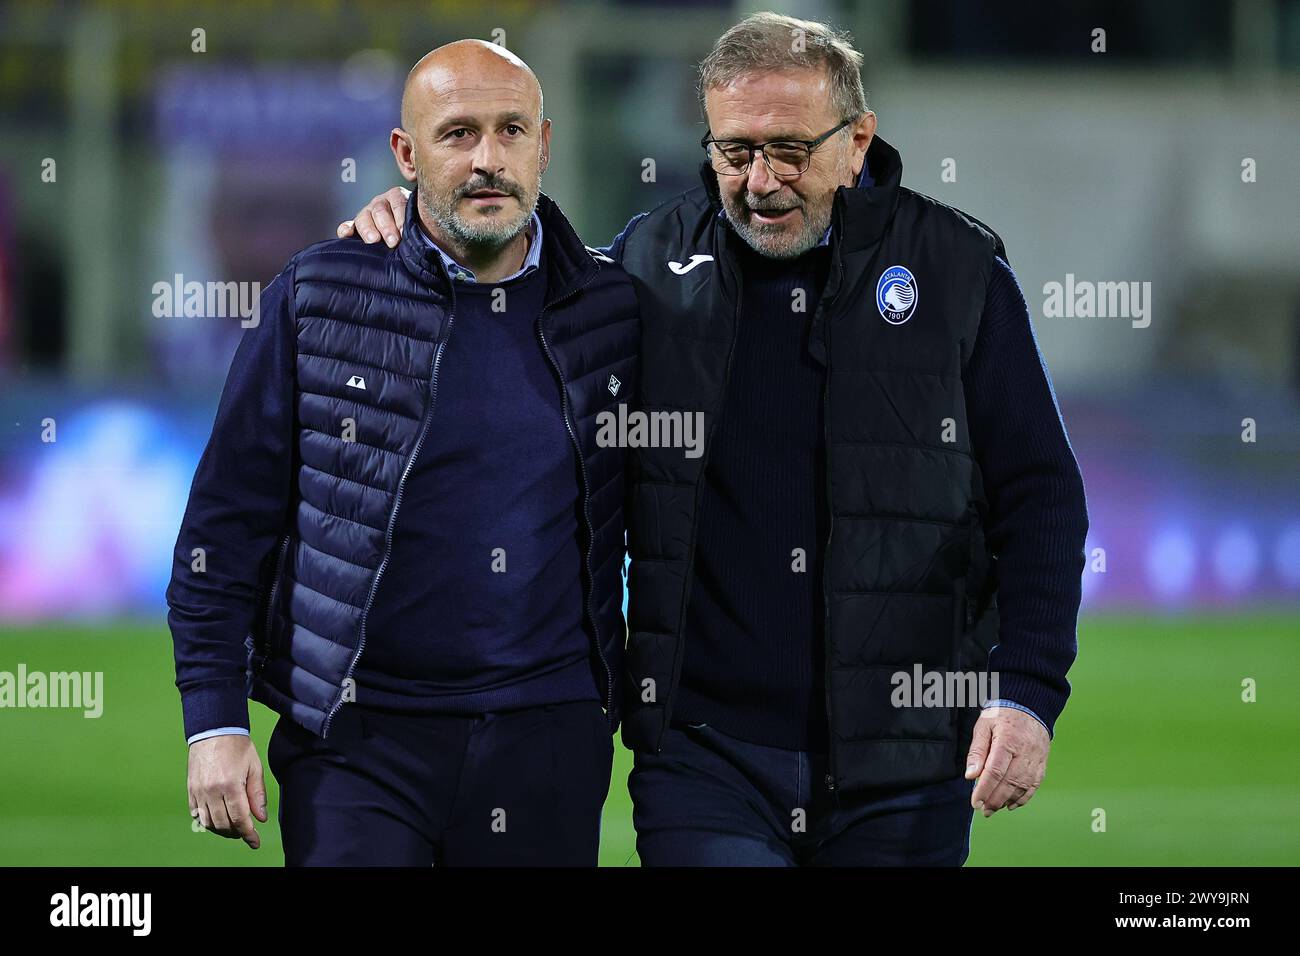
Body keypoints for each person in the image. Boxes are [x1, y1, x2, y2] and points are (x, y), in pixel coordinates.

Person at [343, 12, 1089, 866]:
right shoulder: (647, 264)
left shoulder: (958, 274)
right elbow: (501, 273)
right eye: (734, 152)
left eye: (790, 150)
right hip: (703, 757)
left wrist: (1026, 692)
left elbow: (1042, 501)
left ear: (858, 141)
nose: (761, 181)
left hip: (908, 761)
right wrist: (407, 235)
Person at [167, 39, 638, 865]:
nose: (488, 160)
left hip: (546, 742)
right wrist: (214, 719)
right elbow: (224, 526)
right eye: (457, 134)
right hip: (354, 743)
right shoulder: (318, 296)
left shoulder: (614, 309)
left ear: (545, 145)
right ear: (405, 153)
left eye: (511, 131)